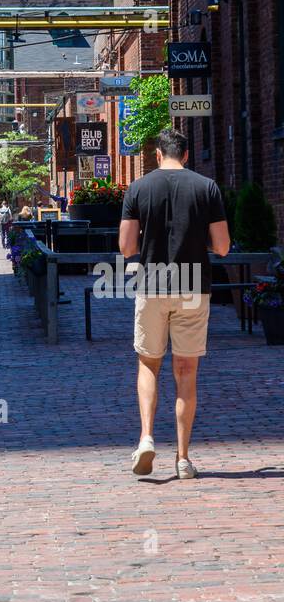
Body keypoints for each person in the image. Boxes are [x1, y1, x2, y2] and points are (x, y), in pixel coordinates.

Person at [119, 128, 230, 481]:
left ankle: (147, 437)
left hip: (152, 285)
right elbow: (223, 246)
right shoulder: (206, 187)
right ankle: (183, 459)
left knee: (149, 365)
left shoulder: (138, 189)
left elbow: (126, 247)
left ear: (156, 155)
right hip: (194, 286)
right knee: (186, 372)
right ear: (185, 155)